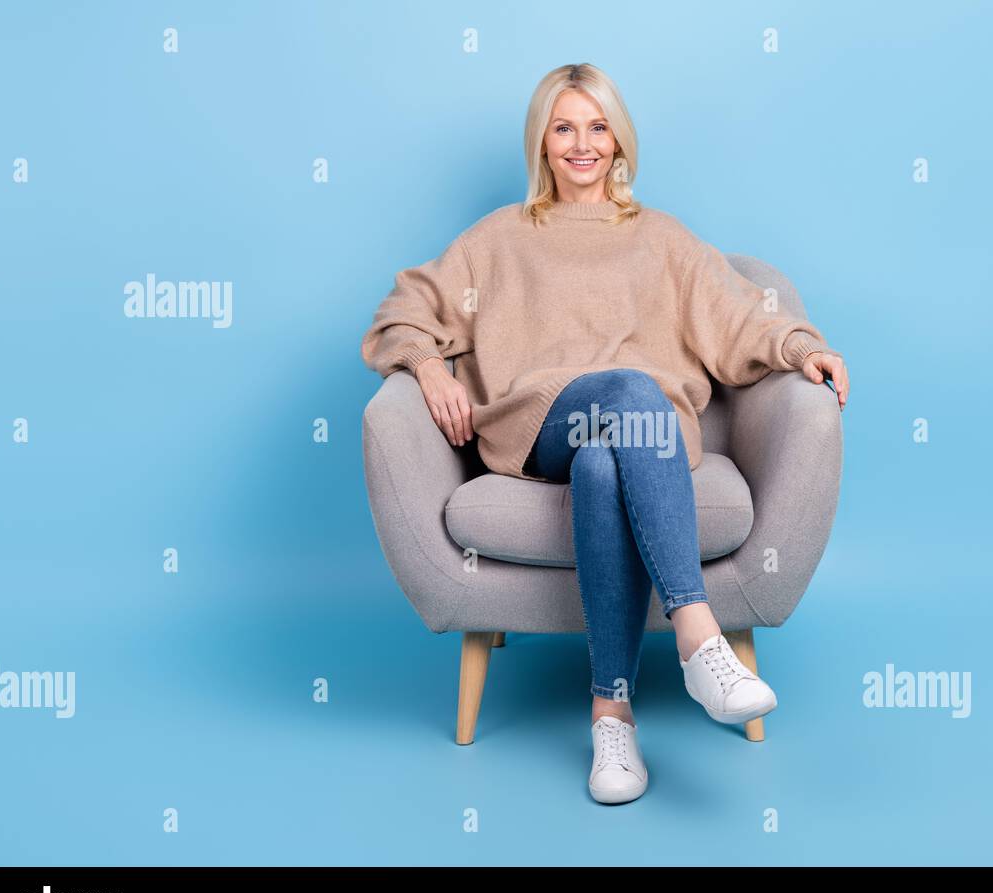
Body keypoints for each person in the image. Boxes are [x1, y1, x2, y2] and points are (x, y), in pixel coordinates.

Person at [361, 63, 850, 805]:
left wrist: (803, 348)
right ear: (542, 142)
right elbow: (402, 309)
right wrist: (428, 366)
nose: (581, 144)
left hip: (645, 438)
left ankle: (611, 718)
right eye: (564, 127)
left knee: (603, 463)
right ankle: (697, 635)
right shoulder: (498, 239)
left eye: (597, 127)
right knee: (628, 387)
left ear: (619, 141)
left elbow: (745, 317)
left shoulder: (661, 240)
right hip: (538, 429)